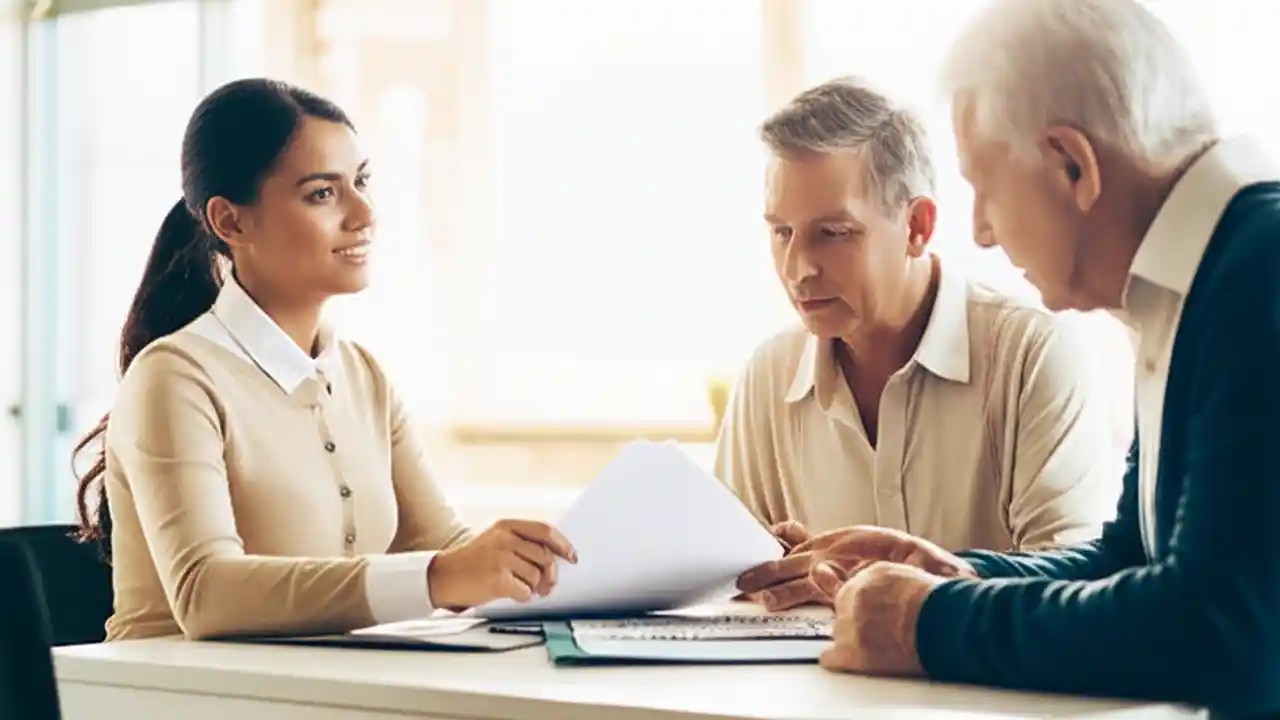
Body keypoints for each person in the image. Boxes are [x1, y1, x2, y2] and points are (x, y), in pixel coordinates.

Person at [812, 1, 1280, 714]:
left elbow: (1217, 627)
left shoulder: (1260, 280)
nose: (982, 231)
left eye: (982, 187)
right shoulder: (1203, 282)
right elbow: (1135, 559)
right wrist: (958, 578)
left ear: (1071, 165)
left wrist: (928, 624)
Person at [72, 78, 577, 642]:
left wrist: (552, 571)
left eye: (360, 182)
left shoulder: (364, 375)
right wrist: (440, 577)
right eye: (322, 193)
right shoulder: (174, 376)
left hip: (322, 690)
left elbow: (441, 546)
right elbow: (205, 594)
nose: (363, 214)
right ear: (230, 222)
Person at [720, 77, 1121, 611]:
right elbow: (726, 587)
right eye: (782, 233)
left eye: (833, 233)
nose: (799, 270)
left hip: (982, 694)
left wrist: (904, 583)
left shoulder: (1033, 355)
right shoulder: (768, 375)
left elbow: (1072, 594)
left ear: (917, 225)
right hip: (815, 691)